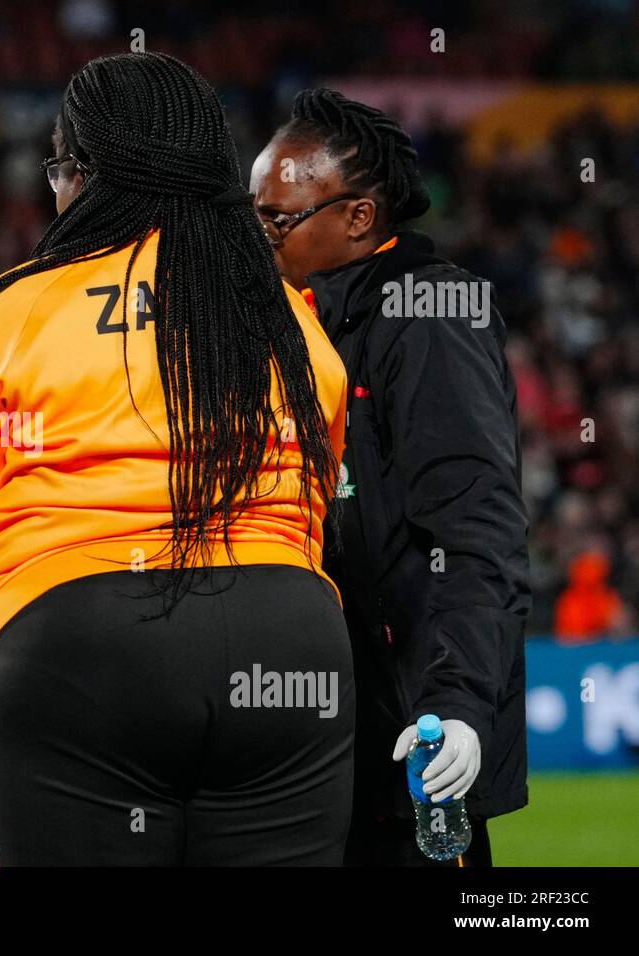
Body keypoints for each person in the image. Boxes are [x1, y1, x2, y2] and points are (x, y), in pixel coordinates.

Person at [0, 53, 353, 866]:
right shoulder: (284, 316)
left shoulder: (16, 308)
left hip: (77, 647)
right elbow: (319, 494)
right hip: (288, 640)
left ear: (87, 176)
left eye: (62, 167)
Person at [250, 88, 531, 866]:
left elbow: (476, 530)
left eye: (278, 218)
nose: (260, 235)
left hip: (412, 739)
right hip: (323, 740)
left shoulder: (432, 313)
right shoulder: (297, 320)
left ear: (359, 218)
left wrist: (459, 703)